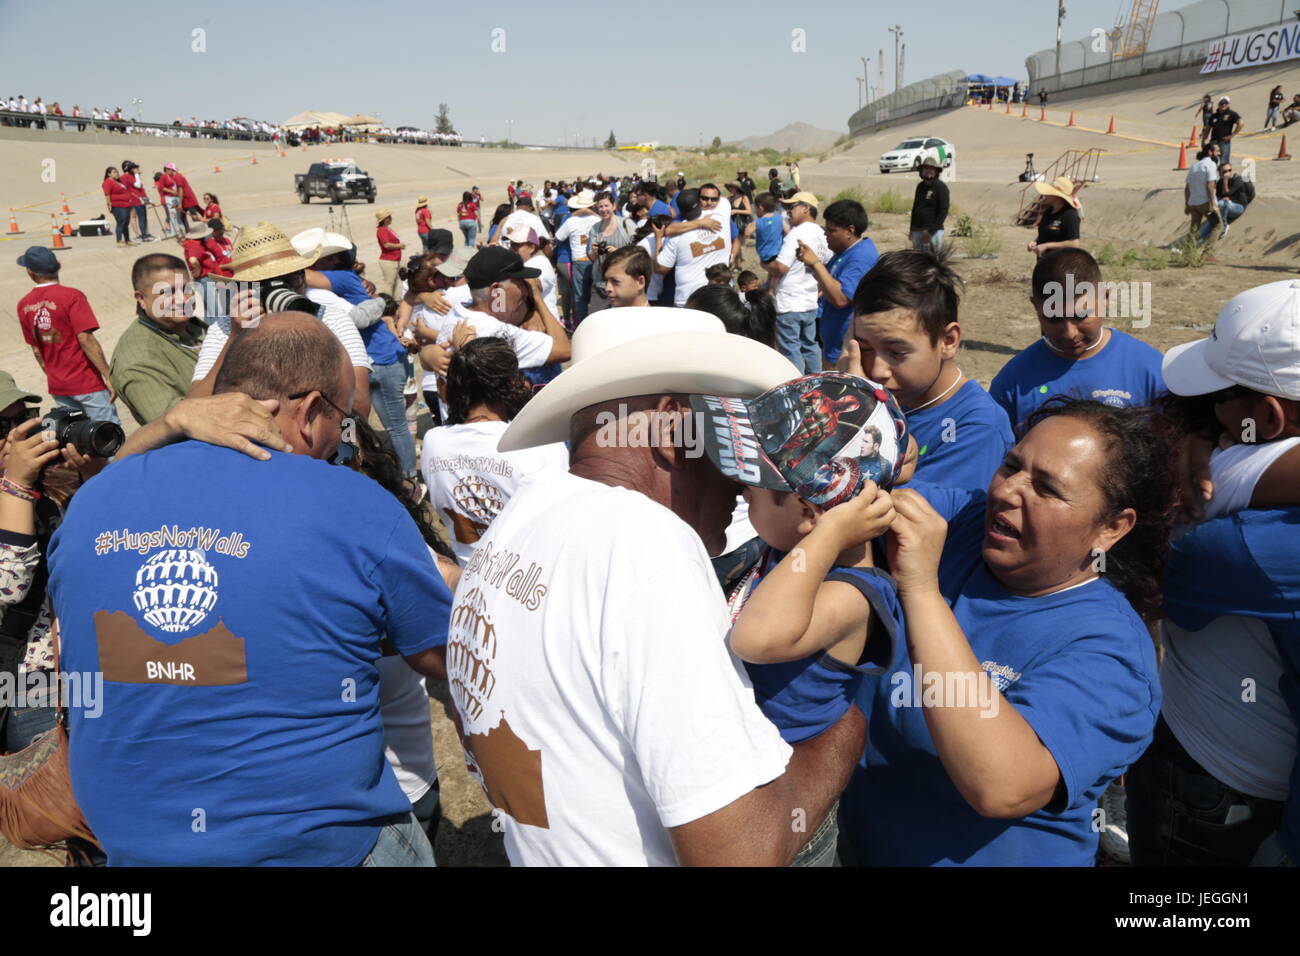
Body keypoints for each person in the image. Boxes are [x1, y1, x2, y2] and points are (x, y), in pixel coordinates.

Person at [446, 308, 869, 865]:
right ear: (672, 430)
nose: (747, 482)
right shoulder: (644, 547)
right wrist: (854, 711)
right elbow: (740, 854)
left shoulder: (518, 519)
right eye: (736, 446)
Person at [48, 316, 453, 866]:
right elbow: (441, 653)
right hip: (318, 843)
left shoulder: (91, 505)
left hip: (130, 845)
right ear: (310, 410)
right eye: (341, 419)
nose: (341, 439)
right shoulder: (348, 501)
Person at [839, 397, 1172, 865]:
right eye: (1012, 464)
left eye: (1047, 488)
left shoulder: (1111, 654)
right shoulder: (963, 524)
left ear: (1112, 527)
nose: (1007, 491)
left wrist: (922, 592)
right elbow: (834, 489)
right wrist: (879, 450)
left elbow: (1000, 786)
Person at [702, 372, 909, 866]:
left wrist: (828, 533)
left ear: (804, 510)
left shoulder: (853, 594)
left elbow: (755, 638)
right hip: (752, 777)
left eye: (752, 488)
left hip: (782, 811)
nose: (738, 494)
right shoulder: (794, 548)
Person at [1128, 280, 1300, 866]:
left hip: (1217, 784)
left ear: (1269, 416)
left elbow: (1132, 571)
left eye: (1217, 399)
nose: (1205, 413)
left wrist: (1210, 452)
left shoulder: (1232, 541)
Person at [844, 249, 1012, 489]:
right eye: (865, 348)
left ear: (948, 341)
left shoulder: (978, 427)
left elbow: (888, 518)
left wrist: (865, 415)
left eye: (897, 352)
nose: (878, 371)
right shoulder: (887, 398)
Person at [189, 223, 373, 421]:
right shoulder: (225, 330)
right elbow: (193, 407)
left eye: (291, 279)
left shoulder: (332, 319)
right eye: (264, 285)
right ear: (243, 289)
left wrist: (309, 338)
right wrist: (236, 339)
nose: (282, 291)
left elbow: (360, 408)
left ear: (304, 276)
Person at [421, 338, 569, 563]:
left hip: (468, 578)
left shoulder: (434, 442)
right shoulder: (543, 447)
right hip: (529, 580)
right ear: (511, 384)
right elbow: (562, 527)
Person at [989, 248, 1164, 433]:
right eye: (1054, 319)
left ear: (1105, 298)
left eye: (1080, 316)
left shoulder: (1151, 372)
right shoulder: (1012, 383)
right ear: (1035, 306)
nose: (1069, 333)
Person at [14, 246, 121, 426]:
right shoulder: (72, 296)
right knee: (107, 434)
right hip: (86, 381)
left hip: (58, 384)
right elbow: (86, 339)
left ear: (30, 272)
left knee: (78, 436)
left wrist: (52, 375)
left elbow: (36, 350)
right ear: (59, 265)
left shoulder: (24, 304)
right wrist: (109, 376)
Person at [109, 253, 206, 426]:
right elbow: (177, 425)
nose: (183, 300)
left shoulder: (195, 327)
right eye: (167, 293)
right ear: (141, 299)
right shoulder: (137, 360)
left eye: (186, 289)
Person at [801, 198, 878, 367]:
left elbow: (841, 299)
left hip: (848, 353)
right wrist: (812, 265)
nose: (826, 235)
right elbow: (829, 284)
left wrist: (815, 263)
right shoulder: (843, 252)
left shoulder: (861, 257)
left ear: (850, 230)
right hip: (834, 347)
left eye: (831, 231)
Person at [767, 191, 831, 375]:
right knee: (810, 345)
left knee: (790, 348)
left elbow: (781, 267)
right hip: (809, 300)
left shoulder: (797, 234)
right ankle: (816, 381)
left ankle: (798, 387)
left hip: (790, 302)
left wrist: (765, 264)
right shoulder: (822, 234)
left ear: (806, 208)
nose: (788, 211)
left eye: (792, 207)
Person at [584, 192, 636, 314]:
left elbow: (638, 252)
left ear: (614, 206)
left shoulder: (626, 224)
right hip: (601, 284)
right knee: (595, 318)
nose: (603, 209)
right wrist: (595, 252)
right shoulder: (594, 228)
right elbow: (592, 258)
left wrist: (618, 252)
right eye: (600, 206)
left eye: (606, 205)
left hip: (624, 284)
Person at [554, 190, 599, 323]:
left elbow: (558, 237)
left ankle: (582, 323)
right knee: (598, 295)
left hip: (579, 260)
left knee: (580, 297)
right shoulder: (597, 219)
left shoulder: (571, 221)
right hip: (596, 259)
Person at [502, 224, 557, 315]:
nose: (512, 248)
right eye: (511, 244)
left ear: (531, 247)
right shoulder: (517, 264)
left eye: (517, 245)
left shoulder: (540, 262)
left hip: (544, 323)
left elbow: (533, 286)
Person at [1196, 160, 1254, 243]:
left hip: (1238, 207)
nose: (1227, 173)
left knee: (1222, 204)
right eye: (1224, 171)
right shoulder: (1220, 182)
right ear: (1219, 173)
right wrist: (1222, 198)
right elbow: (1217, 197)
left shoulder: (1238, 180)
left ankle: (1224, 225)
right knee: (1213, 221)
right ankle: (1197, 241)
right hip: (1224, 208)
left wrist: (1225, 181)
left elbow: (1227, 193)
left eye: (1229, 170)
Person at [1026, 177, 1081, 258]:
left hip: (1061, 264)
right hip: (1044, 262)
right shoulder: (1048, 211)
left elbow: (1074, 244)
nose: (1045, 195)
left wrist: (1047, 246)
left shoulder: (1070, 215)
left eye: (1049, 192)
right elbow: (1046, 235)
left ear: (1058, 196)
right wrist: (1035, 242)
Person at [909, 150, 949, 254]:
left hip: (933, 233)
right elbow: (915, 208)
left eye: (932, 169)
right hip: (917, 231)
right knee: (918, 262)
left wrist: (930, 232)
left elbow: (943, 211)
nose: (929, 171)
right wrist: (912, 229)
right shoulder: (920, 187)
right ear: (921, 171)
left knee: (933, 263)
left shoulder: (941, 187)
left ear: (936, 172)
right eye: (926, 168)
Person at [1183, 144, 1222, 241]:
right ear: (1210, 152)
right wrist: (1213, 204)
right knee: (1218, 225)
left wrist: (1187, 205)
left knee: (1194, 231)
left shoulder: (1194, 166)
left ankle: (1189, 254)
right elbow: (1210, 185)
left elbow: (1187, 188)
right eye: (1217, 151)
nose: (1219, 153)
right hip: (1205, 203)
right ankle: (1207, 254)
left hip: (1193, 204)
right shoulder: (1211, 164)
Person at [118, 161, 156, 243]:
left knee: (144, 217)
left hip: (141, 198)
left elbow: (140, 188)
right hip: (134, 199)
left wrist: (147, 199)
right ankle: (142, 235)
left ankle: (145, 233)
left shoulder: (133, 176)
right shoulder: (126, 176)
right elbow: (136, 185)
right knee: (137, 217)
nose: (136, 169)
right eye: (134, 168)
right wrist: (136, 174)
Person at [101, 166, 135, 246]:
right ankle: (119, 240)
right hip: (118, 206)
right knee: (121, 222)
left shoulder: (118, 181)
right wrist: (109, 204)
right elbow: (107, 194)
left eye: (117, 172)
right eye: (114, 172)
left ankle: (127, 240)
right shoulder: (108, 182)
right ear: (109, 174)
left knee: (126, 223)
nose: (117, 173)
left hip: (126, 205)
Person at [375, 209, 405, 299]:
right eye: (389, 217)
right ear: (385, 219)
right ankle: (388, 302)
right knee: (389, 283)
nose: (391, 218)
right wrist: (399, 245)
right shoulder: (382, 230)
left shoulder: (387, 229)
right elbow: (386, 245)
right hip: (388, 260)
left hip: (394, 259)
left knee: (396, 282)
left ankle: (395, 300)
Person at [1205, 96, 1243, 164]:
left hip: (1224, 142)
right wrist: (1203, 140)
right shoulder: (1214, 116)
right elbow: (1208, 128)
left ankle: (1223, 174)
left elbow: (1241, 124)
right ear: (1218, 104)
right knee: (1211, 161)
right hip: (1213, 142)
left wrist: (1232, 135)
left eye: (1225, 103)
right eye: (1221, 103)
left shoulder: (1232, 114)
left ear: (1228, 104)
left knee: (1224, 161)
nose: (1223, 105)